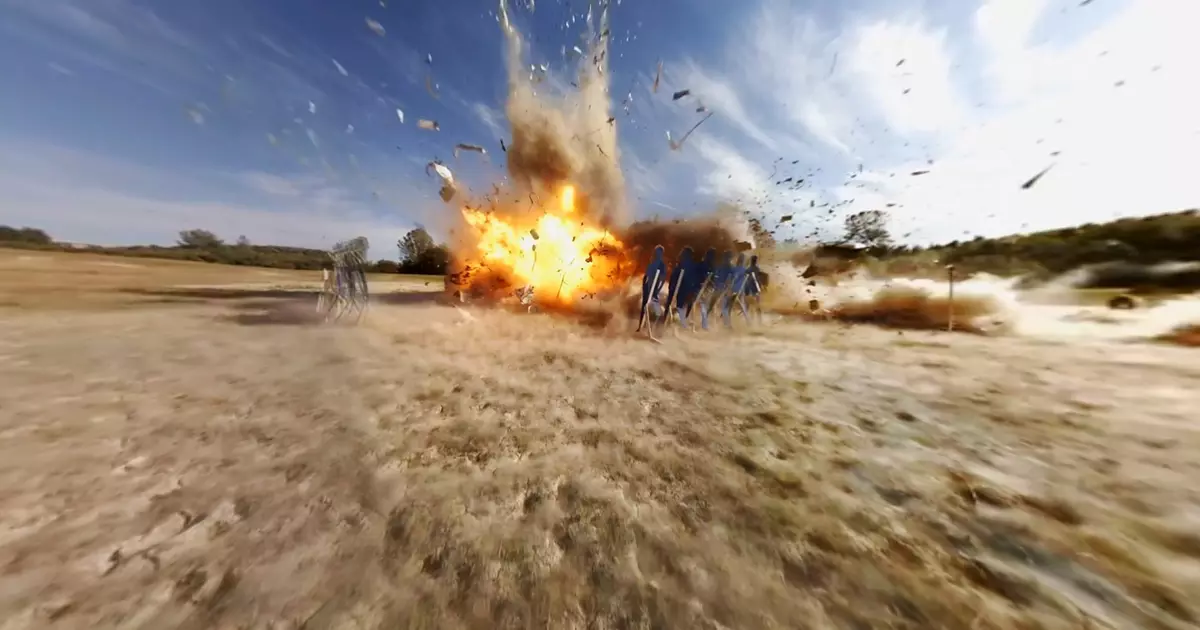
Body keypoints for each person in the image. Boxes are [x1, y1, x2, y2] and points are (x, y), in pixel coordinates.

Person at [637, 245, 667, 332]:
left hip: (653, 289)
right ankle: (641, 325)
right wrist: (645, 287)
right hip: (648, 288)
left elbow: (662, 278)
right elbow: (646, 277)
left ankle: (655, 326)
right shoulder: (652, 263)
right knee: (644, 305)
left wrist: (657, 290)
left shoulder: (661, 265)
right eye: (655, 252)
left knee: (653, 307)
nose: (656, 253)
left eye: (658, 252)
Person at [665, 246, 694, 328]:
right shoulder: (693, 268)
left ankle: (667, 318)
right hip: (689, 297)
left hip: (679, 297)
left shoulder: (679, 267)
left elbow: (672, 284)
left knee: (669, 299)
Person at [689, 248, 717, 330]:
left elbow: (695, 275)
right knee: (704, 305)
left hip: (700, 288)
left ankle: (693, 322)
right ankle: (705, 324)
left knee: (695, 303)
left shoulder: (701, 264)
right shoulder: (713, 267)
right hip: (709, 289)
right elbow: (714, 279)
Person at [708, 251, 735, 328]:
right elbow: (732, 280)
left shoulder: (719, 267)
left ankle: (707, 317)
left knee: (712, 303)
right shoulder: (731, 268)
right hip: (726, 291)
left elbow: (716, 279)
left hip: (720, 290)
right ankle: (726, 322)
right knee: (726, 306)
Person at [741, 254, 764, 324]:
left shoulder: (747, 269)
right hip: (756, 290)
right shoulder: (757, 269)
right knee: (757, 305)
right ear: (756, 261)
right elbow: (758, 280)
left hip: (749, 289)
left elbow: (746, 280)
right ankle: (759, 321)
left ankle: (747, 321)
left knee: (747, 306)